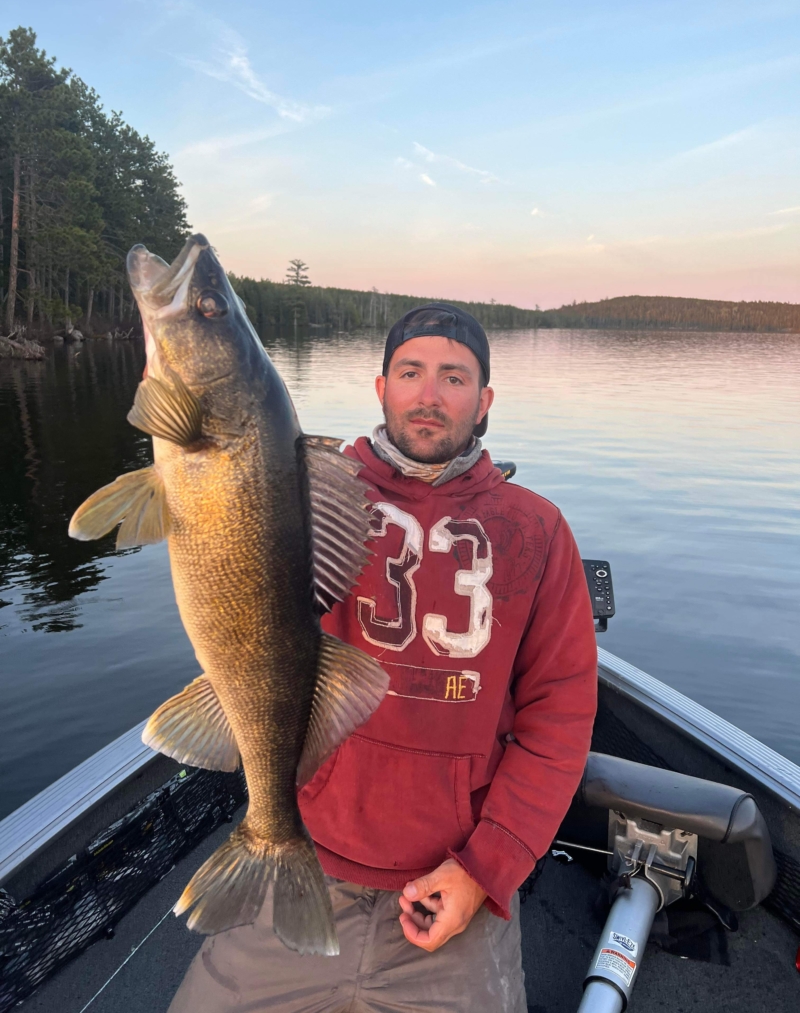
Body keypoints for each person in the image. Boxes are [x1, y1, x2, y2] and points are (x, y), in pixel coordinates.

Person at [168, 303, 598, 1013]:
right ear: (381, 388)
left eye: (454, 377)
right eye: (411, 372)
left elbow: (561, 717)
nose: (430, 394)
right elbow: (226, 547)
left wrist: (484, 872)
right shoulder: (302, 490)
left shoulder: (538, 528)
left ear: (484, 401)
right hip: (302, 854)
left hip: (450, 887)